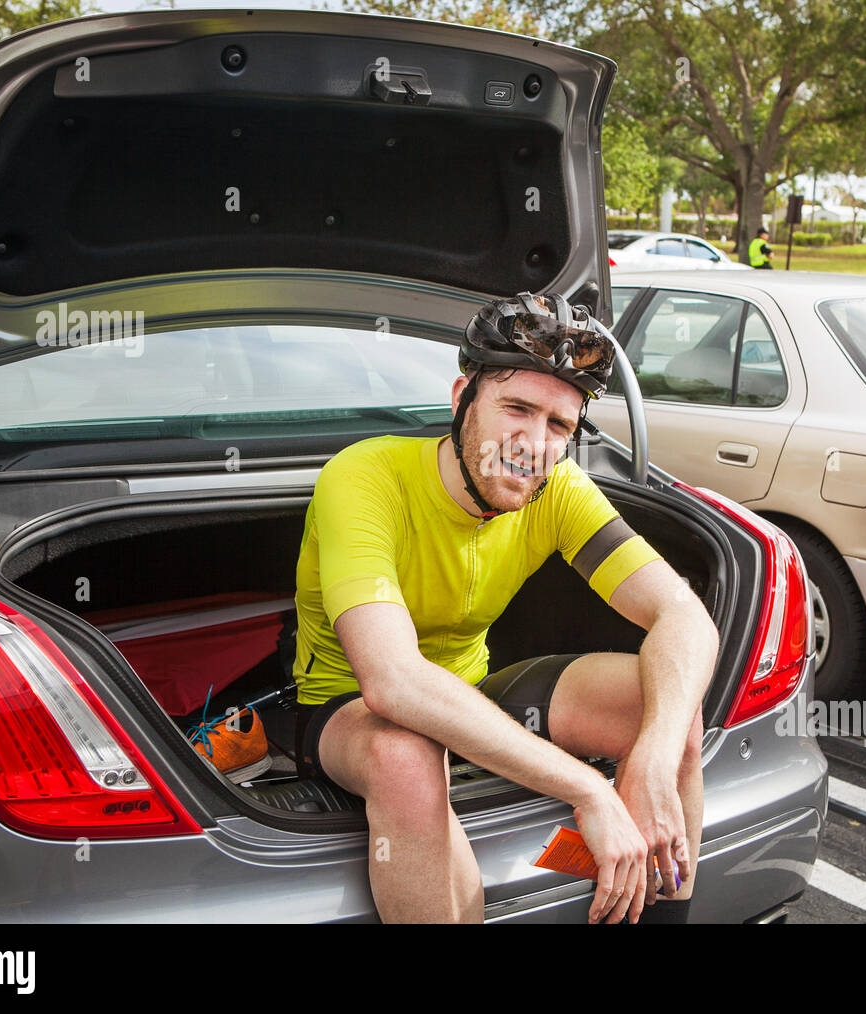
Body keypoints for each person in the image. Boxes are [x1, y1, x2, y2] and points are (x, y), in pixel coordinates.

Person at [290, 291, 719, 924]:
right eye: (515, 408)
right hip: (343, 707)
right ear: (462, 397)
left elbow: (683, 617)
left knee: (668, 710)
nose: (533, 444)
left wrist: (652, 764)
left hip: (473, 692)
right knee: (405, 754)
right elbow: (392, 681)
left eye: (558, 426)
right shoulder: (366, 477)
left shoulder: (558, 487)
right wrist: (588, 790)